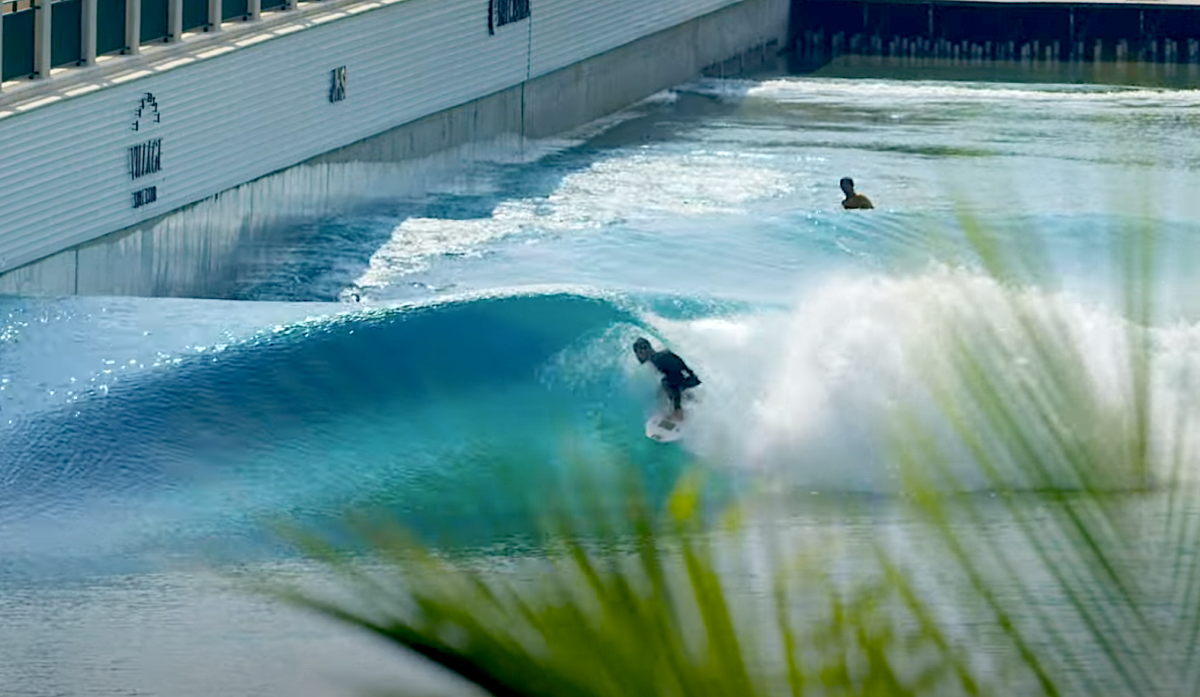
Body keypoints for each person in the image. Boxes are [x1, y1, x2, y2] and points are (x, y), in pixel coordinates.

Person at [633, 337, 701, 421]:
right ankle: (691, 403)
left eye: (639, 352)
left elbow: (675, 378)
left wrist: (677, 407)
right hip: (690, 380)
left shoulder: (658, 359)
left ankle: (678, 413)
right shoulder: (658, 357)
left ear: (647, 349)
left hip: (690, 381)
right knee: (661, 389)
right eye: (636, 353)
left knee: (665, 383)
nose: (637, 356)